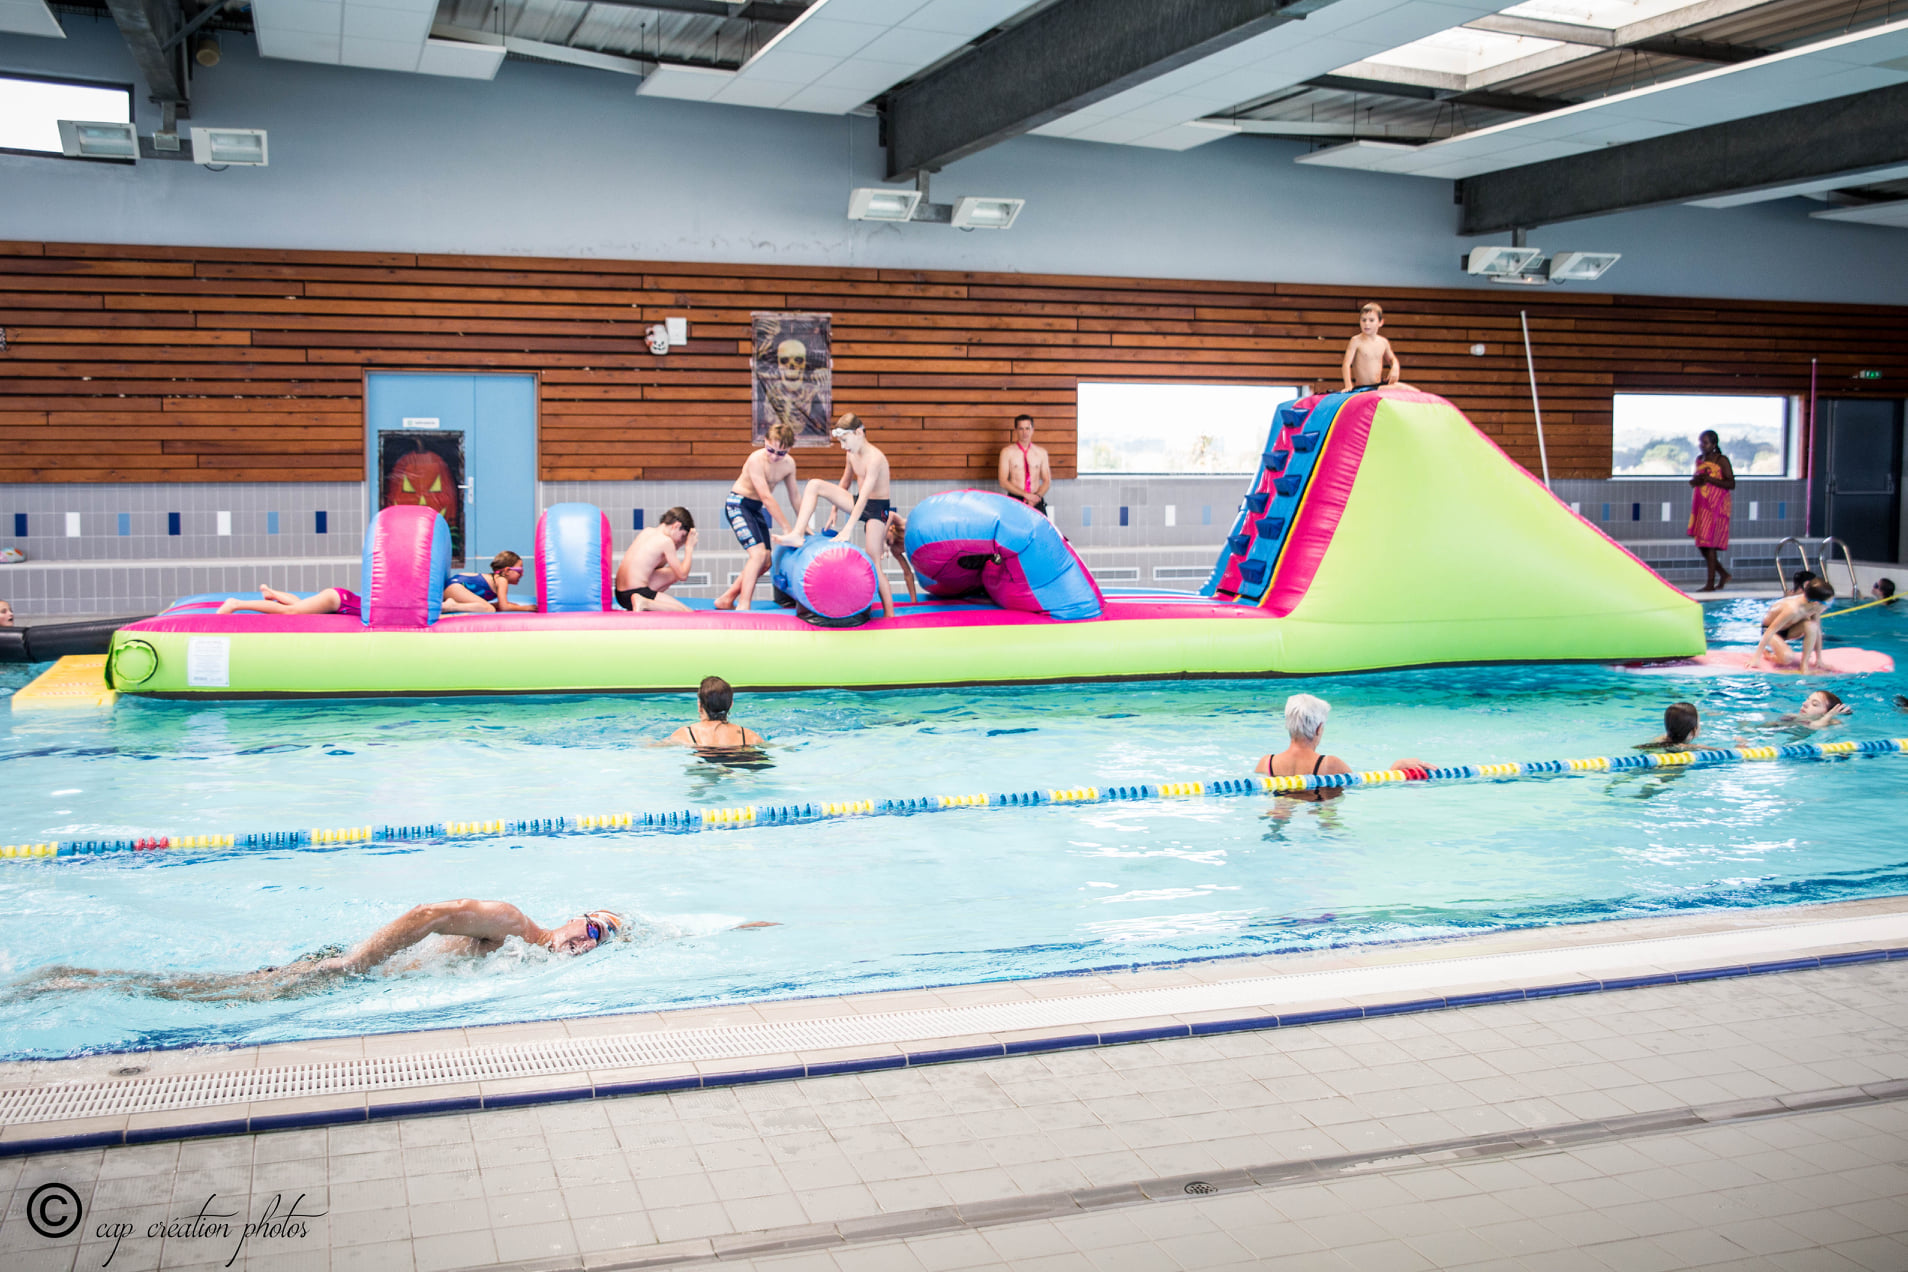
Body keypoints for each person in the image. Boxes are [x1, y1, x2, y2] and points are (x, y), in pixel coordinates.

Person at [18, 900, 625, 1002]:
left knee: (205, 993)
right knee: (197, 993)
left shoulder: (528, 962)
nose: (589, 939)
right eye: (594, 925)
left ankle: (79, 979)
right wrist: (353, 966)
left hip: (352, 976)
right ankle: (72, 978)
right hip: (341, 972)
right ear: (575, 914)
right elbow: (425, 915)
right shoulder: (513, 924)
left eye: (602, 940)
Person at [773, 414, 904, 619]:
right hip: (859, 500)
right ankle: (798, 533)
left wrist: (847, 528)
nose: (843, 446)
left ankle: (890, 615)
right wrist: (835, 509)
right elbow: (844, 482)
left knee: (873, 560)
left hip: (878, 510)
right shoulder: (851, 454)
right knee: (815, 484)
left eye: (844, 440)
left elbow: (863, 500)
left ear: (858, 433)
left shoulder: (876, 458)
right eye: (840, 441)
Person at [1253, 693, 1429, 802]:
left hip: (1282, 814)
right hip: (1323, 822)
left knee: (1281, 807)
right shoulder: (1330, 764)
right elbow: (1366, 788)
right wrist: (1396, 769)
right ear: (1319, 728)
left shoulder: (1266, 762)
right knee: (1328, 809)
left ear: (1288, 725)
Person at [716, 422, 801, 612]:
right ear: (765, 441)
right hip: (738, 504)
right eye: (771, 450)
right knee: (758, 554)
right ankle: (744, 605)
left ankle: (727, 597)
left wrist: (803, 525)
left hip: (755, 509)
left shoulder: (789, 465)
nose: (774, 456)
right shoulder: (756, 460)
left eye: (781, 453)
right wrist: (787, 528)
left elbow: (795, 496)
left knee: (766, 561)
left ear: (789, 450)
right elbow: (766, 497)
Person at [614, 507, 698, 612]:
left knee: (672, 572)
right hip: (636, 593)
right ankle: (645, 603)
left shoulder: (647, 531)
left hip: (620, 595)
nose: (680, 542)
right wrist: (689, 547)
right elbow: (682, 575)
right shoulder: (666, 542)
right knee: (686, 611)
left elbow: (656, 568)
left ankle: (648, 602)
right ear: (676, 526)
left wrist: (677, 545)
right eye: (682, 537)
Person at [1687, 429, 1736, 592]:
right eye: (1700, 442)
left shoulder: (1721, 460)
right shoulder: (1700, 459)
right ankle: (1722, 573)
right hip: (1701, 506)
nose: (1702, 446)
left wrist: (1709, 479)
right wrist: (1696, 481)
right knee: (1701, 543)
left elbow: (1731, 484)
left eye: (1705, 442)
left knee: (1710, 543)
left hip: (1717, 507)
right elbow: (1699, 480)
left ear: (1714, 444)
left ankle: (1710, 583)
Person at [666, 675, 766, 751]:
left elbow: (656, 747)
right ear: (730, 705)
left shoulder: (686, 734)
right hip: (736, 759)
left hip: (704, 763)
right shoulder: (748, 735)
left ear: (700, 705)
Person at [1753, 579, 1834, 670]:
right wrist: (1756, 658)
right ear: (1816, 603)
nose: (1828, 607)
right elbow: (1770, 631)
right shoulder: (1792, 610)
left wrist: (1819, 660)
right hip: (1770, 631)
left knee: (1812, 626)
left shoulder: (1814, 608)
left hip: (1790, 629)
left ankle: (1804, 665)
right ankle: (1769, 655)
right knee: (1787, 658)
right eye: (1829, 603)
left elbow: (1817, 632)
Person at [445, 551, 535, 613]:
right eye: (520, 570)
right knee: (489, 609)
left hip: (454, 587)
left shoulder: (497, 578)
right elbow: (505, 607)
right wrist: (526, 608)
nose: (522, 575)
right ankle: (452, 606)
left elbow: (501, 605)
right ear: (507, 570)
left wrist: (499, 605)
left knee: (487, 606)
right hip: (456, 587)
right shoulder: (502, 579)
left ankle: (453, 604)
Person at [998, 414, 1052, 517]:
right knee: (1014, 532)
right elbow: (1003, 482)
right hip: (1015, 499)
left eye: (1027, 428)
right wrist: (1026, 495)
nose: (1024, 432)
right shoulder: (1007, 452)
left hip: (1036, 499)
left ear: (1033, 430)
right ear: (1016, 430)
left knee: (1040, 533)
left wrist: (1036, 497)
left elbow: (1047, 480)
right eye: (1021, 429)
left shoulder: (1041, 453)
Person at [1340, 302, 1401, 392]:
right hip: (1363, 387)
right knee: (1400, 388)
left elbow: (1392, 359)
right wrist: (1348, 385)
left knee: (1406, 389)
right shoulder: (1356, 341)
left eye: (1371, 320)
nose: (1366, 324)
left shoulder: (1383, 342)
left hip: (1378, 385)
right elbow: (1346, 364)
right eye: (1363, 320)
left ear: (1380, 322)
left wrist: (1395, 367)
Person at [217, 583, 362, 618]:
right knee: (292, 611)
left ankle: (271, 593)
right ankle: (236, 604)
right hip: (338, 601)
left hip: (340, 599)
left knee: (298, 605)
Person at [1761, 690, 1851, 732]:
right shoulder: (1794, 717)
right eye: (1807, 700)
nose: (1804, 704)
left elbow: (1814, 727)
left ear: (1828, 713)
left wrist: (1828, 716)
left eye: (1814, 704)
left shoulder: (1833, 722)